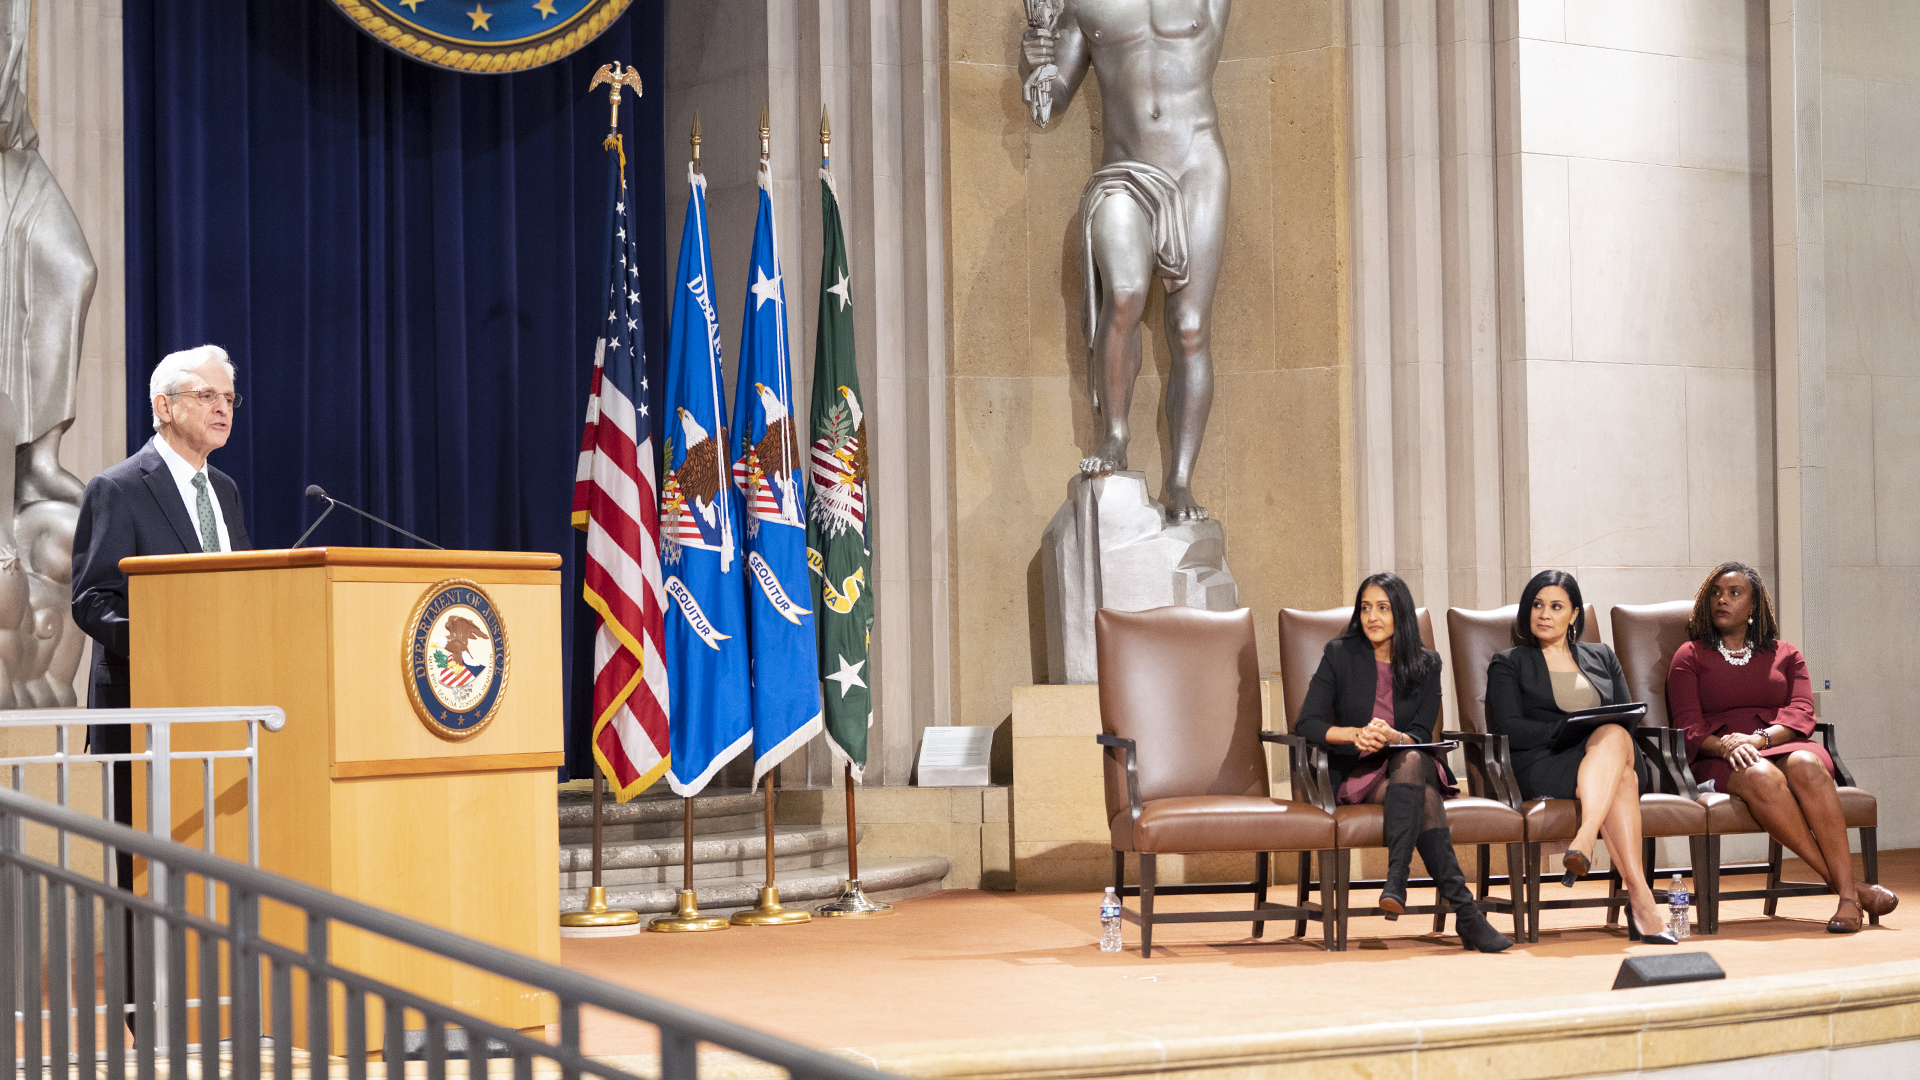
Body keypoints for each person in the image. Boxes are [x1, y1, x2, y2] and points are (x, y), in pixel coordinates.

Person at [1018, 0, 1229, 521]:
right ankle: (1114, 435)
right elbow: (1052, 101)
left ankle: (1179, 481)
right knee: (1126, 293)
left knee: (1189, 327)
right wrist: (1035, 65)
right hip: (1124, 172)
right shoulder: (1082, 4)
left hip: (1196, 165)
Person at [1667, 562, 1897, 933]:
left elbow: (1803, 711)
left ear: (1754, 606)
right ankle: (1850, 892)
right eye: (1716, 593)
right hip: (1721, 756)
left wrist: (1759, 739)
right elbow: (1687, 726)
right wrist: (1727, 747)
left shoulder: (1786, 653)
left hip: (1781, 742)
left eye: (1734, 593)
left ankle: (1848, 893)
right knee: (1760, 774)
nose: (1722, 600)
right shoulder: (1690, 655)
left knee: (1807, 764)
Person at [1297, 572, 1512, 953]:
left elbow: (1421, 731)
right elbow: (1308, 723)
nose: (1372, 617)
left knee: (1411, 757)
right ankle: (1464, 913)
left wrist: (1394, 737)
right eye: (1365, 608)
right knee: (1425, 799)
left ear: (1401, 614)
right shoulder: (1339, 654)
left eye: (1383, 608)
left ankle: (1397, 877)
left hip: (1409, 758)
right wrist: (1355, 734)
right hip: (1360, 772)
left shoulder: (1427, 663)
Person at [1486, 570, 1677, 944]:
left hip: (1608, 753)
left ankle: (1586, 836)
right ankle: (1641, 902)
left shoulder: (1601, 655)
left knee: (1615, 734)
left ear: (1574, 614)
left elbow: (1626, 715)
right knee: (1623, 779)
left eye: (1556, 606)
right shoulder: (1509, 662)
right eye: (1537, 605)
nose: (1545, 614)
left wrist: (1598, 731)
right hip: (1545, 761)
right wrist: (1566, 729)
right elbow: (1509, 728)